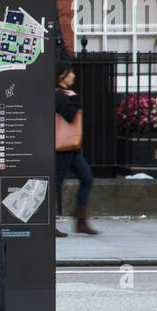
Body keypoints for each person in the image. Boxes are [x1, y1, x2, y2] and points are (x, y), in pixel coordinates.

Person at [55, 63, 98, 236]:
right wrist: (76, 99)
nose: (73, 75)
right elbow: (69, 115)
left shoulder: (67, 94)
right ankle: (49, 223)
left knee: (87, 178)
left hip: (73, 149)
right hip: (62, 149)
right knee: (56, 186)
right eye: (70, 73)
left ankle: (81, 219)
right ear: (62, 76)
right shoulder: (59, 94)